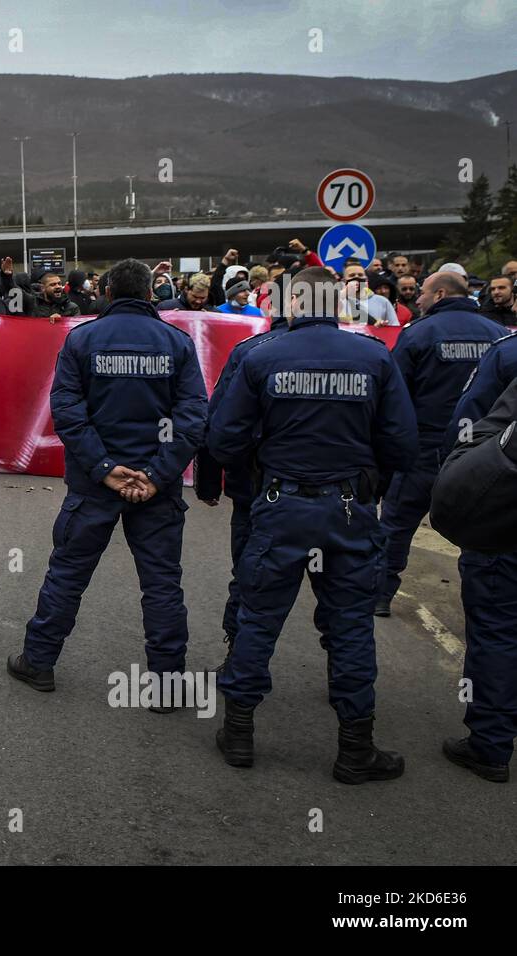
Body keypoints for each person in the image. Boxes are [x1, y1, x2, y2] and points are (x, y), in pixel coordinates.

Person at [207, 266, 418, 782]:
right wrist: (368, 479)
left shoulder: (261, 357)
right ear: (339, 302)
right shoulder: (374, 356)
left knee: (259, 617)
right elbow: (402, 444)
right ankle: (355, 748)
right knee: (349, 625)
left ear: (292, 302)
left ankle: (238, 733)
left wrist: (260, 466)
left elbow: (223, 440)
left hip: (281, 504)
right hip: (349, 510)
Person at [7, 258, 207, 704]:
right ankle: (168, 686)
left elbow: (68, 413)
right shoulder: (177, 343)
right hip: (157, 488)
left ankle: (38, 662)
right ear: (151, 293)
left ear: (108, 293)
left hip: (94, 486)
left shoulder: (83, 339)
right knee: (161, 583)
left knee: (68, 573)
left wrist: (103, 469)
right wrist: (156, 474)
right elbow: (193, 418)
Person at [375, 269, 504, 616]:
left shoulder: (418, 333)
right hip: (485, 452)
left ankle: (380, 593)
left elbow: (395, 396)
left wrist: (392, 451)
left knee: (397, 523)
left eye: (424, 293)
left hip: (425, 446)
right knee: (482, 527)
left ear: (441, 295)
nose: (417, 299)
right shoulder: (499, 335)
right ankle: (485, 607)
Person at [433, 334, 517, 782]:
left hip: (503, 524)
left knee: (497, 631)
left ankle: (490, 743)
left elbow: (466, 428)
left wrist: (456, 481)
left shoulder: (506, 352)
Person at [194, 308, 291, 670]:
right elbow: (394, 435)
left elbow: (220, 426)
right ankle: (354, 717)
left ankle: (240, 678)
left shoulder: (252, 352)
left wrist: (211, 483)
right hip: (344, 499)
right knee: (344, 606)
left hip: (259, 491)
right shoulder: (368, 354)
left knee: (252, 578)